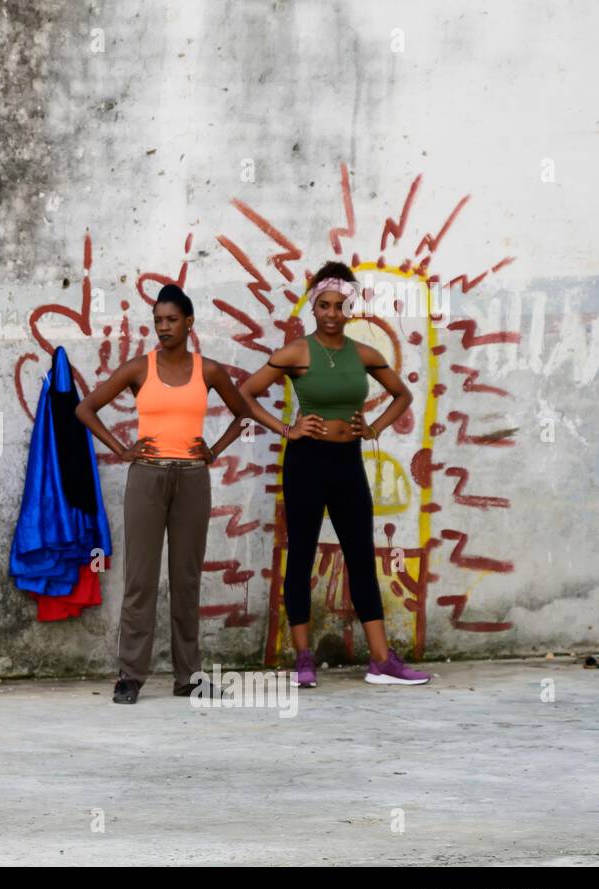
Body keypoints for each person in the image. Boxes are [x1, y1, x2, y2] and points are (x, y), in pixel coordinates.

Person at [239, 261, 431, 687]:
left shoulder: (364, 354)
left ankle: (381, 660)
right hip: (306, 462)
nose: (330, 313)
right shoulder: (296, 353)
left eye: (339, 305)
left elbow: (403, 394)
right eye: (323, 305)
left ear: (350, 307)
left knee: (361, 555)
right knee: (302, 554)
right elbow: (246, 393)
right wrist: (287, 429)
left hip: (348, 463)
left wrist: (375, 427)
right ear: (313, 306)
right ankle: (303, 657)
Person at [76, 284, 248, 703]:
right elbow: (84, 408)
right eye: (158, 321)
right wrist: (121, 449)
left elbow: (243, 414)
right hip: (147, 479)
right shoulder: (140, 368)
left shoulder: (208, 371)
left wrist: (213, 449)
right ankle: (130, 676)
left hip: (192, 478)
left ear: (189, 322)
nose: (164, 327)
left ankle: (188, 676)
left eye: (172, 320)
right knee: (140, 580)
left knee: (186, 580)